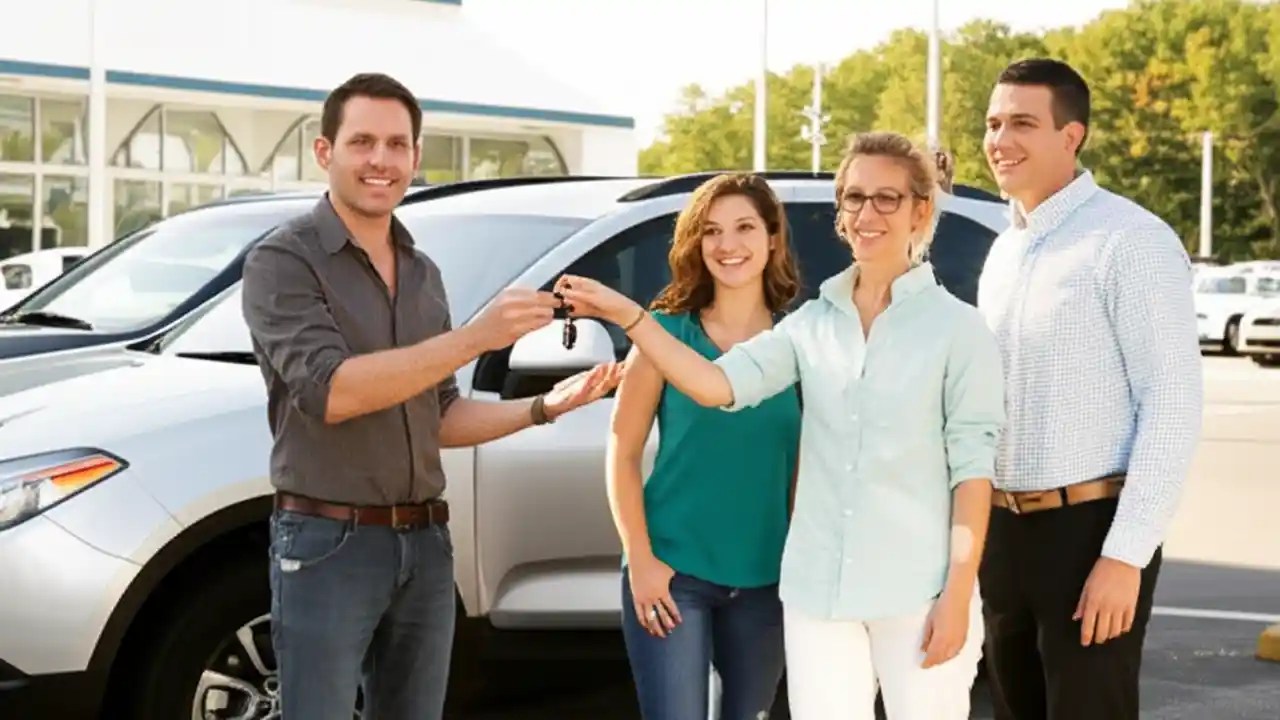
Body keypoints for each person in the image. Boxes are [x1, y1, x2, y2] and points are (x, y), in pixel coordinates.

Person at [557, 131, 1005, 720]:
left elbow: (973, 474)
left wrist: (957, 592)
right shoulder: (810, 326)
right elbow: (718, 386)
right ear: (840, 214)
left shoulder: (959, 330)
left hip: (915, 595)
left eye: (887, 199)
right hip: (817, 599)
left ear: (921, 210)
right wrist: (632, 318)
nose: (867, 213)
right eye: (854, 198)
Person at [240, 72, 621, 720]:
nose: (381, 160)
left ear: (416, 157)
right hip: (328, 543)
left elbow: (440, 412)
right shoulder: (284, 261)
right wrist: (476, 338)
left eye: (397, 144)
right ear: (324, 151)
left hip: (425, 545)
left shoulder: (422, 273)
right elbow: (330, 392)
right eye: (362, 142)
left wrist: (543, 408)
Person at [975, 58, 1203, 720]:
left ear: (1071, 136)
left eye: (1021, 122)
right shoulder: (1004, 251)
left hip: (1089, 534)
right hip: (1003, 536)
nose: (1000, 140)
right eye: (993, 123)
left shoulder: (1129, 240)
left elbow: (1172, 403)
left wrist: (1124, 556)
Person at [606, 173, 802, 720]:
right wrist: (641, 561)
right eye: (711, 231)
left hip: (767, 577)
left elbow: (804, 471)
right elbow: (621, 452)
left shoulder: (799, 344)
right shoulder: (662, 336)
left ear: (772, 240)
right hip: (673, 574)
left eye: (744, 228)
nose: (727, 245)